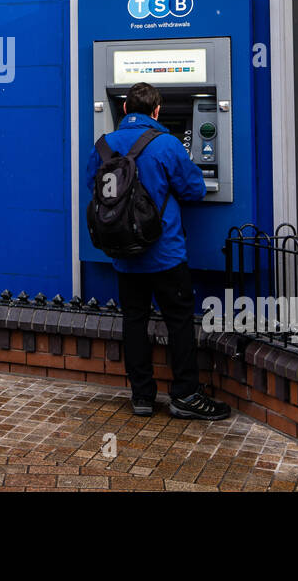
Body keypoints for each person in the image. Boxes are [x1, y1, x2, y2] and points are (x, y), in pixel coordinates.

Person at [85, 81, 231, 421]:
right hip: (165, 253)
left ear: (123, 109)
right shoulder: (166, 144)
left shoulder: (103, 145)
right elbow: (194, 189)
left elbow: (93, 189)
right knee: (179, 321)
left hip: (124, 253)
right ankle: (184, 395)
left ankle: (142, 397)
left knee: (133, 321)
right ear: (157, 111)